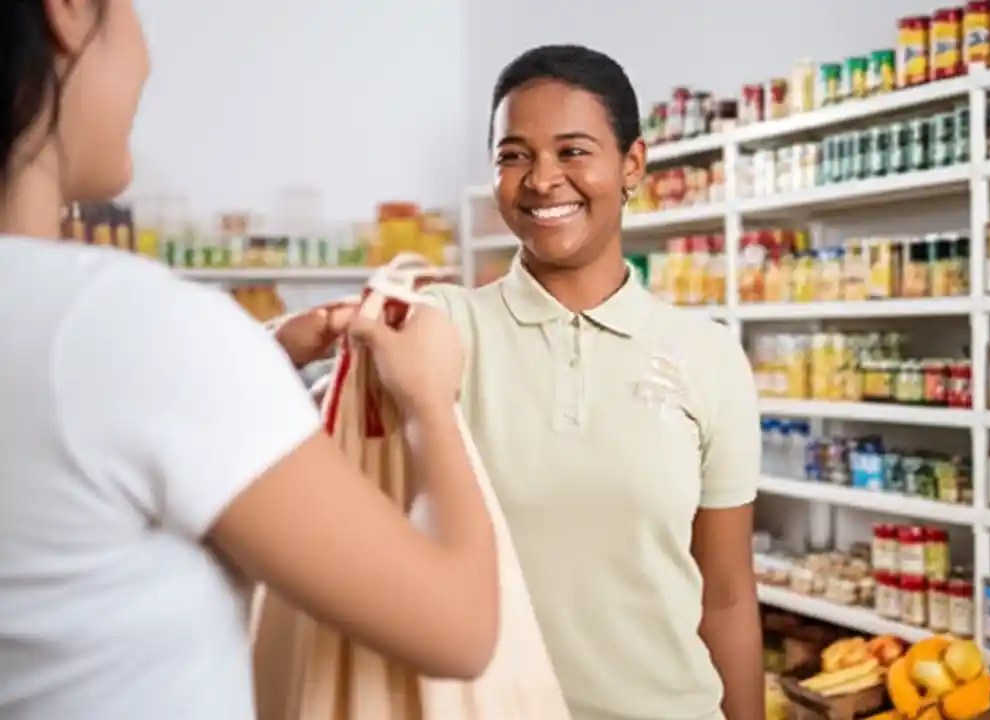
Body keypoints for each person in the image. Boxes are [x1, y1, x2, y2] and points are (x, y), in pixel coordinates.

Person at [0, 2, 500, 718]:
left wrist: (256, 366)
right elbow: (460, 626)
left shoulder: (109, 340)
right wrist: (430, 400)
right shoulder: (131, 326)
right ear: (70, 13)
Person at [286, 44, 765, 720]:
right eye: (514, 156)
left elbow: (727, 597)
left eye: (573, 151)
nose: (542, 180)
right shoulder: (444, 328)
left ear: (633, 164)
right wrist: (292, 340)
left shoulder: (708, 357)